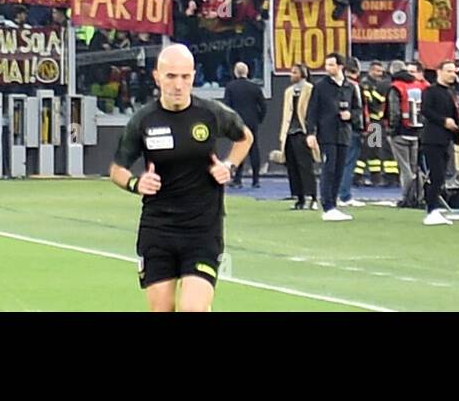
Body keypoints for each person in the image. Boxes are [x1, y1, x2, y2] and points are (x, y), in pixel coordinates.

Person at [109, 44, 252, 312]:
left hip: (202, 231)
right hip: (158, 230)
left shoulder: (211, 113)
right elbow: (117, 169)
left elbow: (245, 137)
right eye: (171, 76)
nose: (178, 84)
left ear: (194, 76)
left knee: (192, 309)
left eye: (185, 77)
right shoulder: (143, 120)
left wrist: (229, 165)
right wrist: (136, 184)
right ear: (157, 77)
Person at [306, 52, 361, 221]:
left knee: (339, 170)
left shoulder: (350, 87)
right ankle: (327, 206)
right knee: (328, 169)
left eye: (331, 65)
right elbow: (312, 111)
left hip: (344, 133)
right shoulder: (321, 86)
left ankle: (334, 204)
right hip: (326, 133)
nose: (327, 68)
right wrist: (310, 133)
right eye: (327, 64)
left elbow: (357, 109)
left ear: (340, 66)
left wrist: (350, 116)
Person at [420, 60, 459, 225]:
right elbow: (426, 110)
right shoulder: (430, 91)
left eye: (454, 71)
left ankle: (434, 207)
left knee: (441, 175)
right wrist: (444, 121)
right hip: (432, 138)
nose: (453, 74)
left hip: (446, 139)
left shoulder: (451, 93)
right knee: (436, 175)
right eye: (449, 71)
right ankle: (431, 209)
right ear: (439, 72)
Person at [272, 63, 319, 210]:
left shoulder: (310, 89)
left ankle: (312, 197)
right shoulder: (288, 92)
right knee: (292, 167)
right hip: (289, 133)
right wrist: (282, 135)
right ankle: (299, 198)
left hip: (302, 133)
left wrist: (312, 133)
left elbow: (313, 112)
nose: (291, 75)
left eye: (294, 72)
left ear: (302, 74)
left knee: (305, 167)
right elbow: (286, 114)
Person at [386, 66, 428, 208]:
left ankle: (407, 198)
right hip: (416, 132)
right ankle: (420, 196)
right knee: (415, 168)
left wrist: (391, 129)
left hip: (400, 132)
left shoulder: (396, 88)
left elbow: (394, 111)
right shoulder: (417, 87)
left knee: (405, 169)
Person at [223, 61, 266, 189]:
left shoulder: (231, 87)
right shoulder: (255, 87)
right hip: (252, 121)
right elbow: (263, 106)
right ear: (247, 72)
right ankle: (256, 179)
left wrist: (229, 122)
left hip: (238, 121)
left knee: (238, 148)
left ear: (236, 72)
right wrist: (259, 119)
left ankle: (238, 179)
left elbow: (227, 106)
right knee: (254, 149)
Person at [336, 58, 368, 208]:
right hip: (352, 130)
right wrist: (362, 128)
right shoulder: (354, 87)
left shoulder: (335, 85)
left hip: (336, 130)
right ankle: (345, 195)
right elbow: (360, 109)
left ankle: (334, 194)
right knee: (348, 164)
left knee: (337, 163)